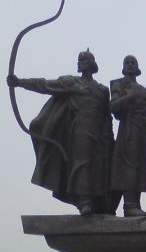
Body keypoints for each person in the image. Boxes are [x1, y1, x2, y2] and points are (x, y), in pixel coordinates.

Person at [7, 50, 116, 215]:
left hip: (101, 132)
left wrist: (109, 135)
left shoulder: (102, 90)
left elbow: (107, 115)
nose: (81, 62)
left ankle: (99, 201)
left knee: (100, 166)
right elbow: (45, 85)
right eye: (80, 60)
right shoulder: (72, 82)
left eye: (85, 60)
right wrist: (20, 82)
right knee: (82, 162)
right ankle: (84, 201)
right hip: (81, 127)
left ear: (92, 63)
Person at [110, 55, 146, 218]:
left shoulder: (144, 90)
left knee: (140, 165)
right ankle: (129, 205)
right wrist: (129, 97)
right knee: (128, 164)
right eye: (127, 62)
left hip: (142, 128)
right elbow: (113, 106)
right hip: (128, 127)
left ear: (138, 67)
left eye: (133, 62)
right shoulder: (118, 84)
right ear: (123, 67)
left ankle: (136, 204)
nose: (130, 65)